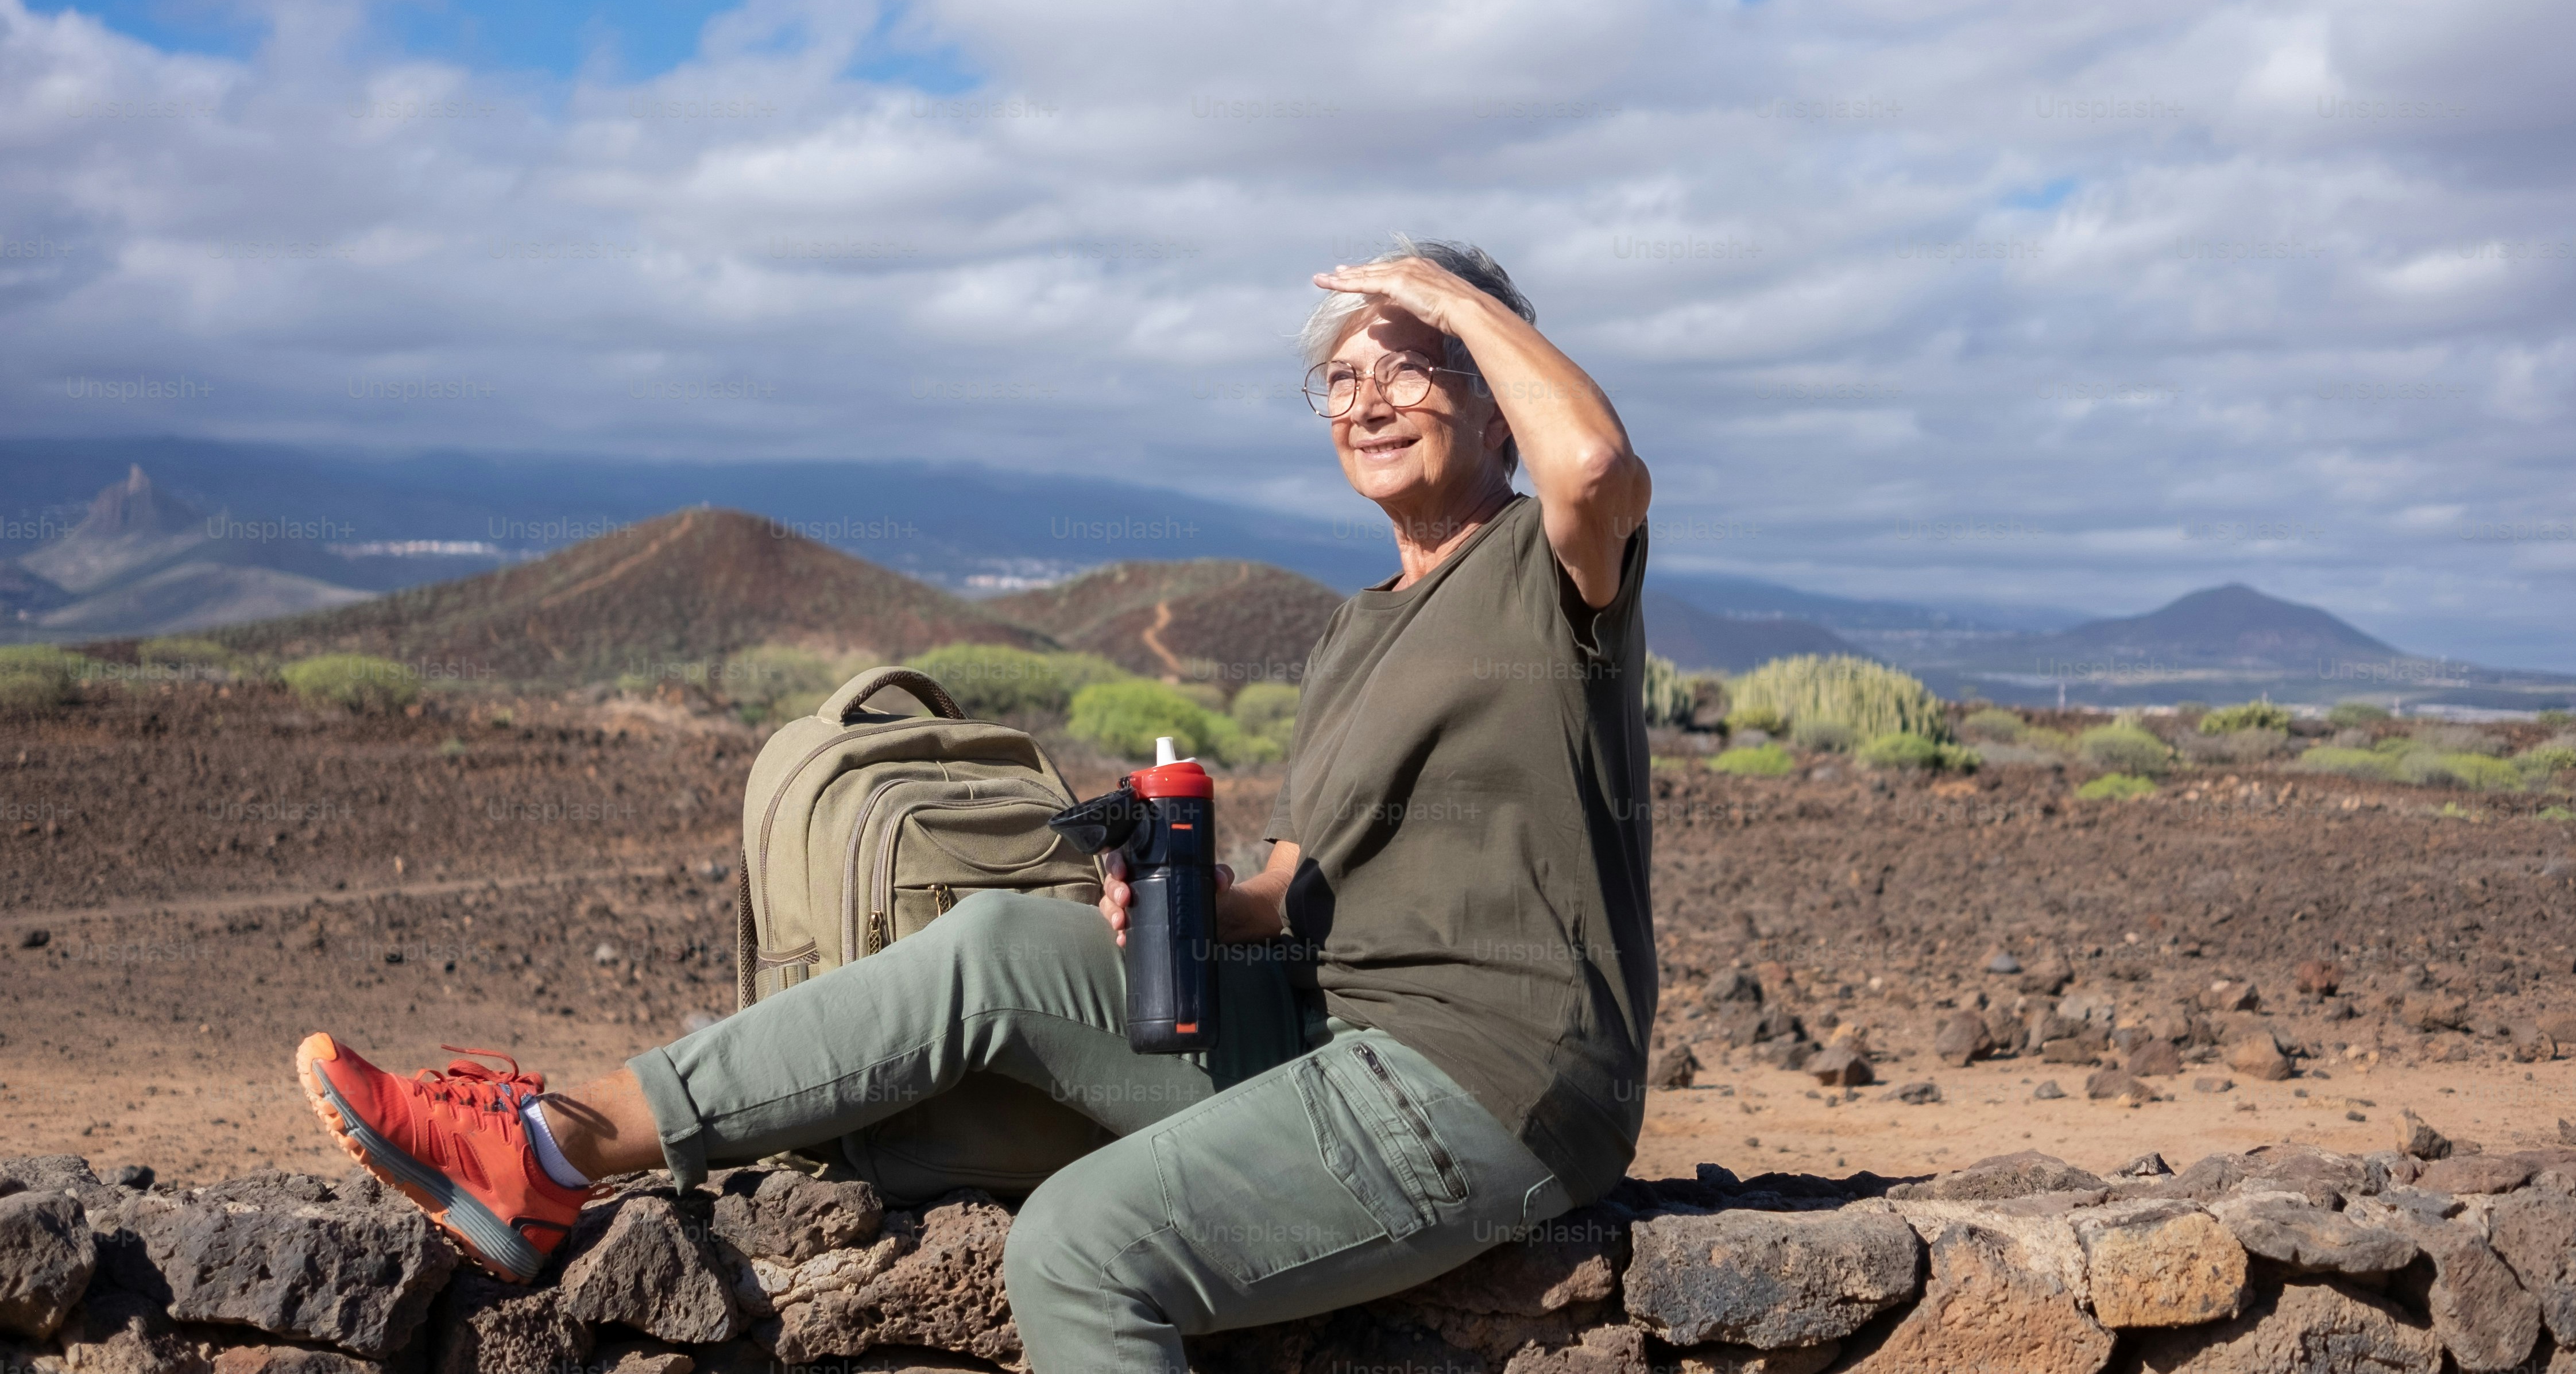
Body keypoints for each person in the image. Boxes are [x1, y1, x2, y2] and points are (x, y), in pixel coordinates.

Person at [293, 237, 1655, 1371]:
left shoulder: (1550, 568)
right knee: (1001, 944)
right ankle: (544, 1151)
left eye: (1407, 368)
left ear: (1491, 401)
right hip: (1331, 1030)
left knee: (1079, 1248)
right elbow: (1300, 882)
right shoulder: (1363, 628)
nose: (1365, 400)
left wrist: (1457, 294)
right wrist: (1184, 900)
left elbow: (1593, 464)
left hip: (1493, 1080)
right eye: (1343, 379)